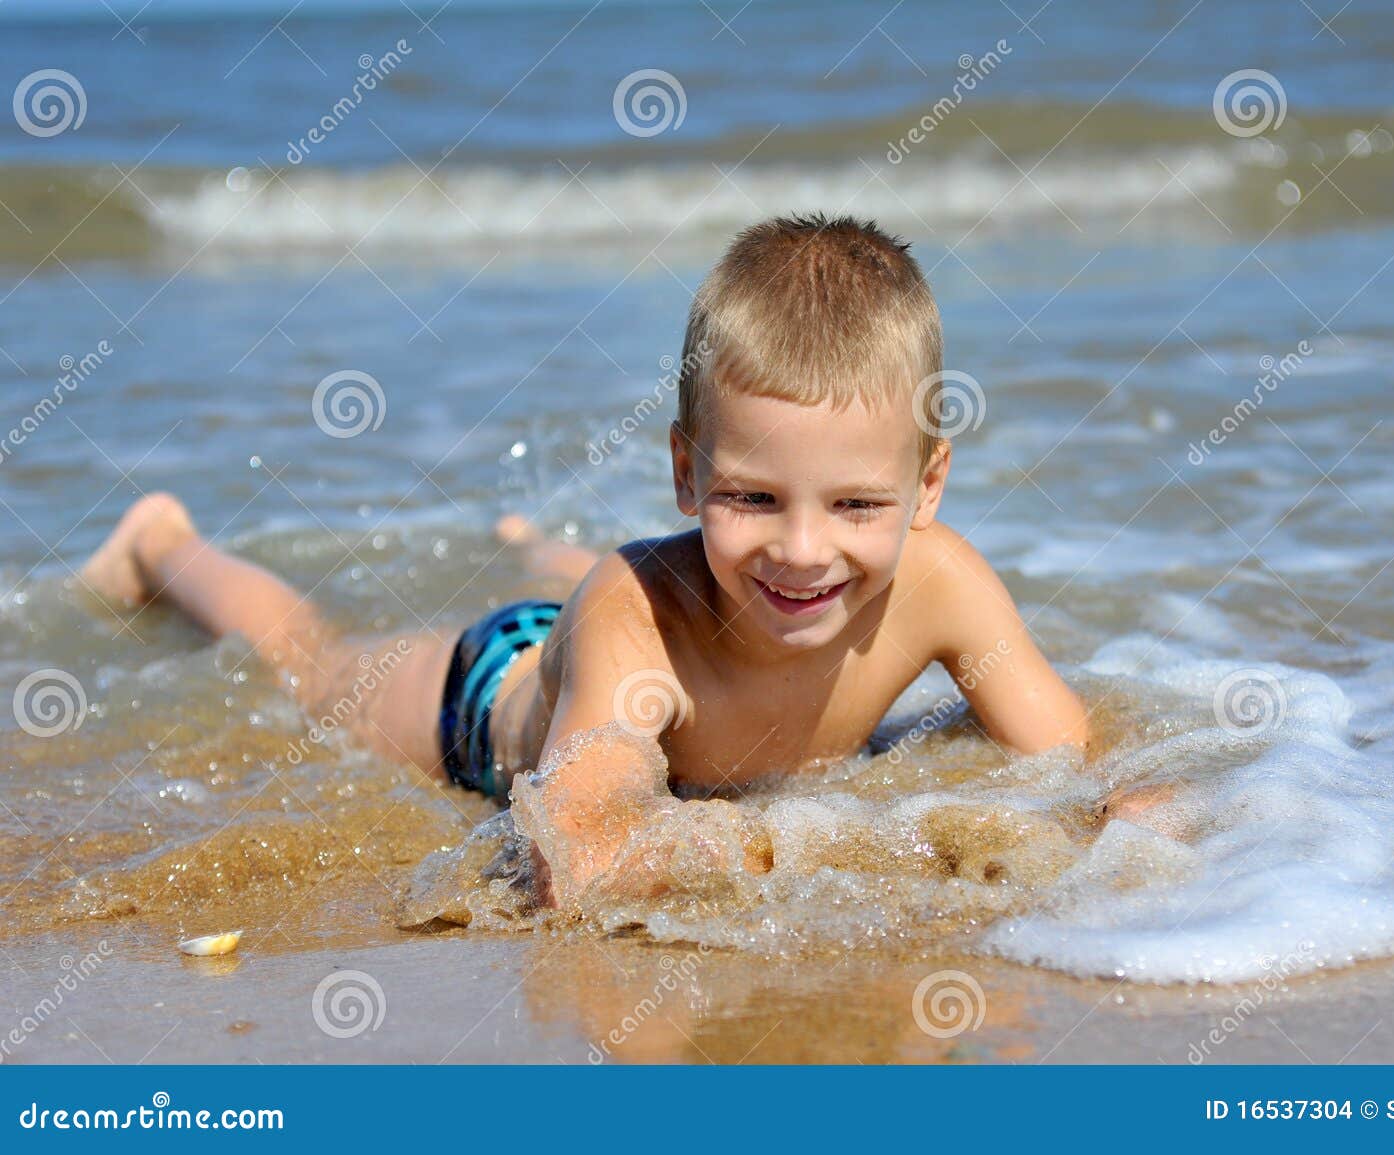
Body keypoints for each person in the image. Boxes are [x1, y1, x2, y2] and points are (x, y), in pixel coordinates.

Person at [81, 212, 1093, 909]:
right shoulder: (632, 621)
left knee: (663, 583)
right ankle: (164, 545)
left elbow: (1078, 764)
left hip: (631, 612)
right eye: (751, 496)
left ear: (926, 488)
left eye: (856, 505)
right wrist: (815, 854)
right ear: (686, 472)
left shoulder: (944, 584)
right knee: (307, 660)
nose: (801, 549)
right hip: (487, 694)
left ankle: (532, 546)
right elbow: (583, 851)